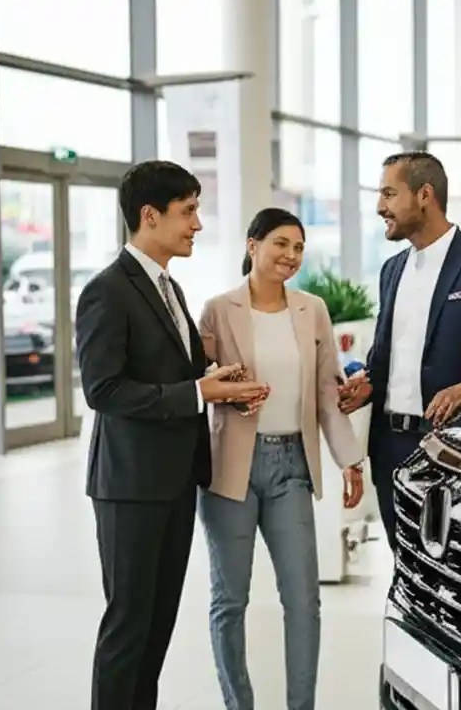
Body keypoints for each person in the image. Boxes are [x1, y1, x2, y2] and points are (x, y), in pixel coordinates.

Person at [75, 160, 267, 710]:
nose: (197, 225)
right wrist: (199, 394)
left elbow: (170, 375)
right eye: (188, 212)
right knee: (128, 627)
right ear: (149, 216)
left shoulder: (170, 288)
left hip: (176, 481)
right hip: (130, 486)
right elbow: (104, 390)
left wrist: (213, 380)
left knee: (156, 628)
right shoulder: (107, 291)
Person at [197, 207, 367, 710]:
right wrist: (227, 391)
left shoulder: (311, 309)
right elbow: (202, 383)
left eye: (298, 248)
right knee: (230, 601)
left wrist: (349, 461)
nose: (290, 256)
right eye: (280, 244)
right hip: (230, 467)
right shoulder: (217, 310)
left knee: (304, 601)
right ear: (252, 245)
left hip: (292, 463)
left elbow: (325, 392)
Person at [338, 151, 461, 548]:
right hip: (390, 448)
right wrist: (369, 382)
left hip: (451, 448)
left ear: (424, 194)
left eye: (389, 194)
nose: (381, 207)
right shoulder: (391, 270)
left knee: (453, 571)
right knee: (404, 568)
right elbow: (389, 353)